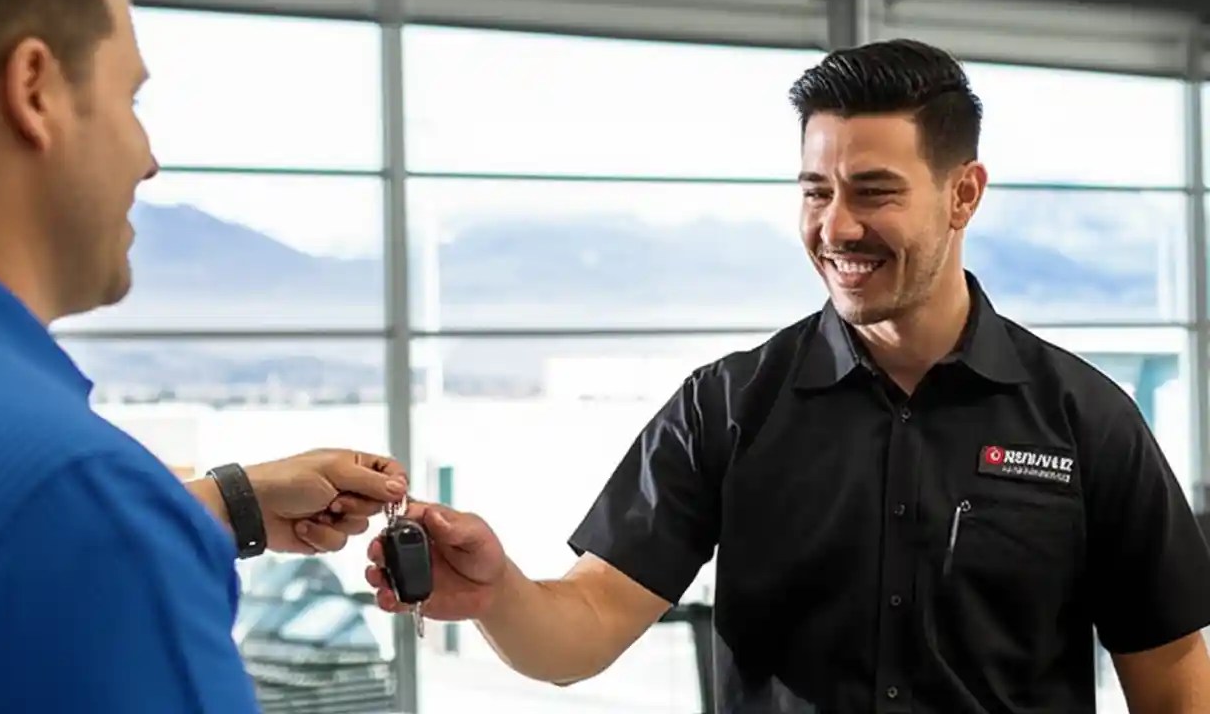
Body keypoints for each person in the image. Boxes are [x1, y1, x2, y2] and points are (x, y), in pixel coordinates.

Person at [368, 39, 1210, 713]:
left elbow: (1171, 672)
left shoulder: (1085, 418)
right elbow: (581, 629)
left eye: (874, 192)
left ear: (964, 195)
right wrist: (496, 593)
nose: (836, 227)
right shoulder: (726, 408)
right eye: (816, 191)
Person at [0, 0, 406, 711]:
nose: (148, 160)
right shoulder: (79, 498)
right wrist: (128, 524)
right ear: (36, 91)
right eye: (130, 96)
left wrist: (222, 503)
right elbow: (52, 522)